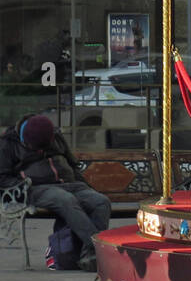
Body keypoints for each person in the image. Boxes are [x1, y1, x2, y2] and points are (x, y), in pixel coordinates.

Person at [0, 113, 109, 272]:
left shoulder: (55, 136)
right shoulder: (8, 144)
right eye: (36, 149)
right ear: (25, 140)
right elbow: (2, 178)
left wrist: (84, 186)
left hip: (69, 184)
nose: (41, 151)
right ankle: (102, 250)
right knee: (65, 200)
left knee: (100, 201)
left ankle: (89, 256)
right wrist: (23, 185)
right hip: (33, 189)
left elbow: (72, 164)